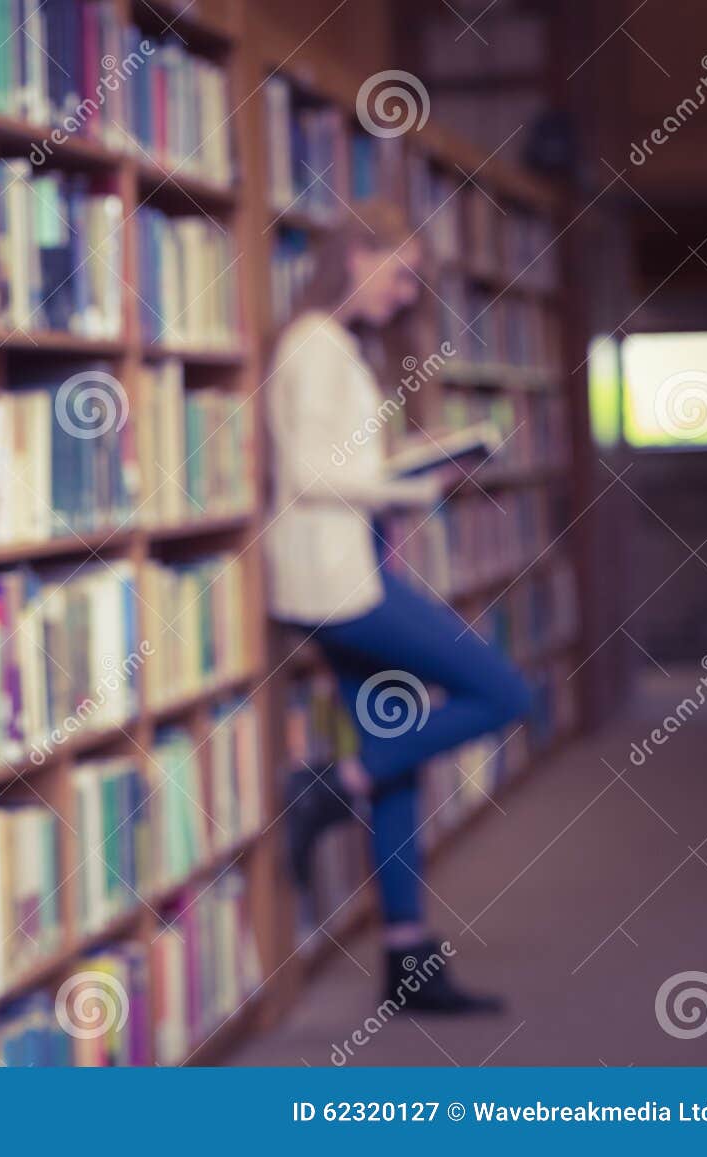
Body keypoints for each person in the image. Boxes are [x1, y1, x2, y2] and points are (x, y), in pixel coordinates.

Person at [263, 199, 531, 1015]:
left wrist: (416, 461)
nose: (408, 293)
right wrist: (410, 484)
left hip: (340, 574)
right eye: (401, 272)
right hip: (337, 586)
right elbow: (310, 476)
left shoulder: (332, 346)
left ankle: (407, 958)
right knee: (506, 693)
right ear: (355, 257)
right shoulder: (315, 347)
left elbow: (341, 462)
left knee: (401, 757)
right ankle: (333, 783)